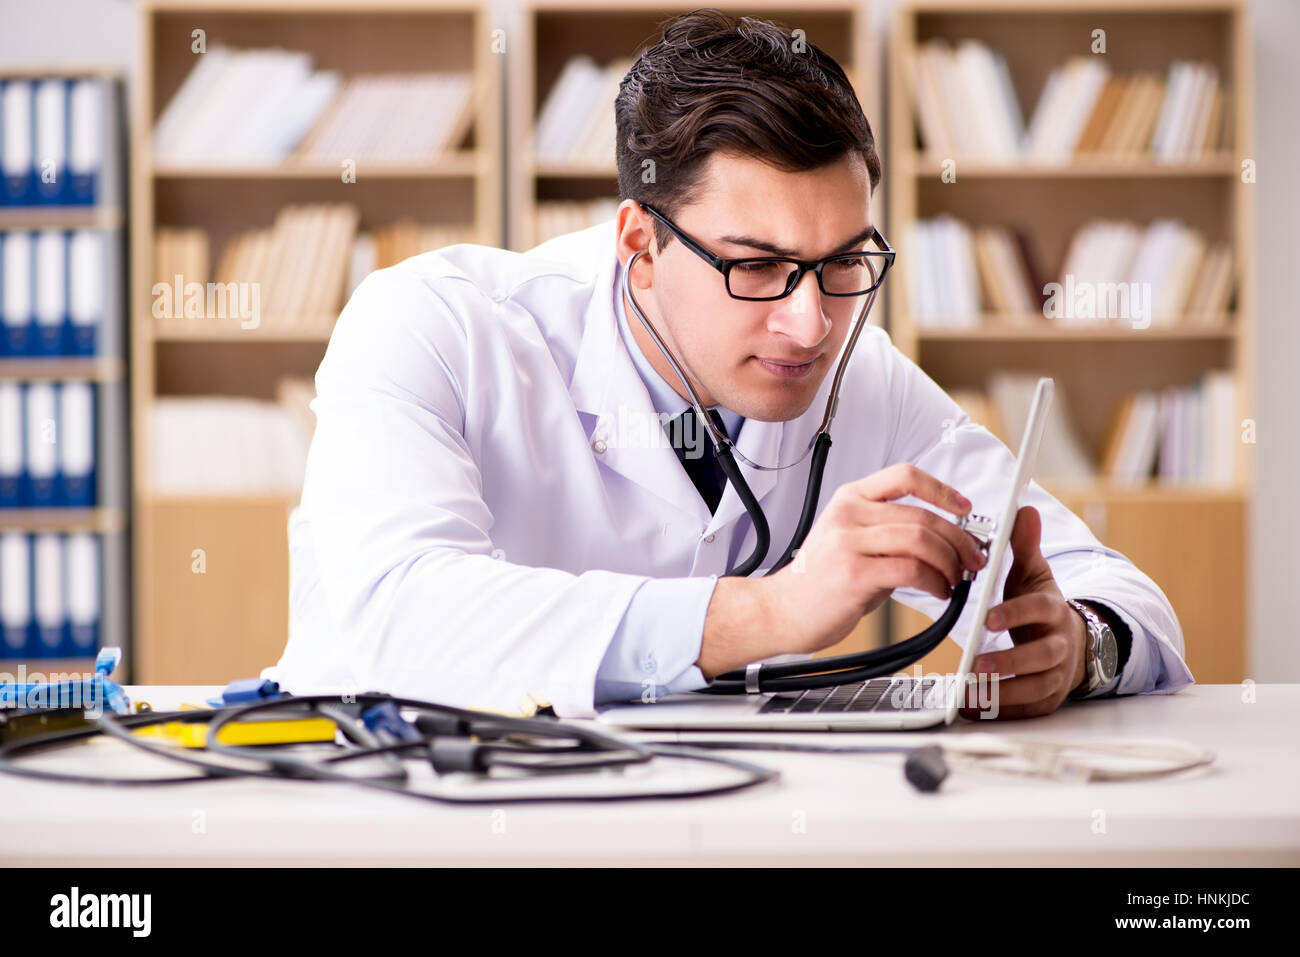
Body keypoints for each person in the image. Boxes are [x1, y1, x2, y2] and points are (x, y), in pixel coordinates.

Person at [263, 9, 1192, 719]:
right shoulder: (432, 326)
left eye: (842, 264)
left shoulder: (855, 378)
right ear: (640, 243)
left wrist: (1076, 644)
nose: (811, 322)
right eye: (756, 265)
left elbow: (1118, 589)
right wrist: (775, 611)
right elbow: (399, 616)